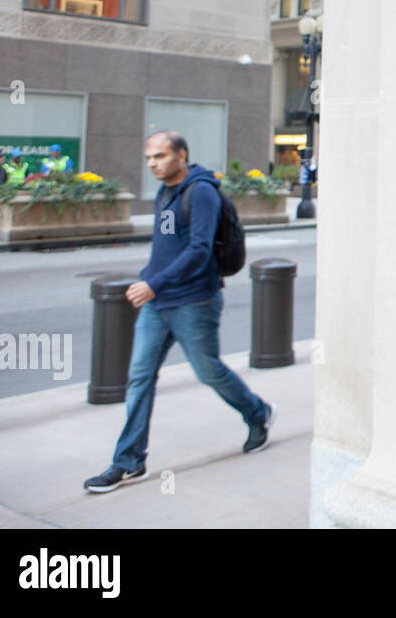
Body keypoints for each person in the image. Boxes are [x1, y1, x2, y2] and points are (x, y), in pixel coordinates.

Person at [83, 130, 275, 493]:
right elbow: (168, 245)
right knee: (140, 377)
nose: (153, 163)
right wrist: (149, 278)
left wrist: (155, 283)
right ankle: (129, 461)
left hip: (194, 301)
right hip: (158, 304)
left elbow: (199, 250)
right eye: (149, 158)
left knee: (209, 372)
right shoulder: (164, 192)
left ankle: (258, 412)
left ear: (181, 155)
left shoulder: (201, 193)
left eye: (160, 156)